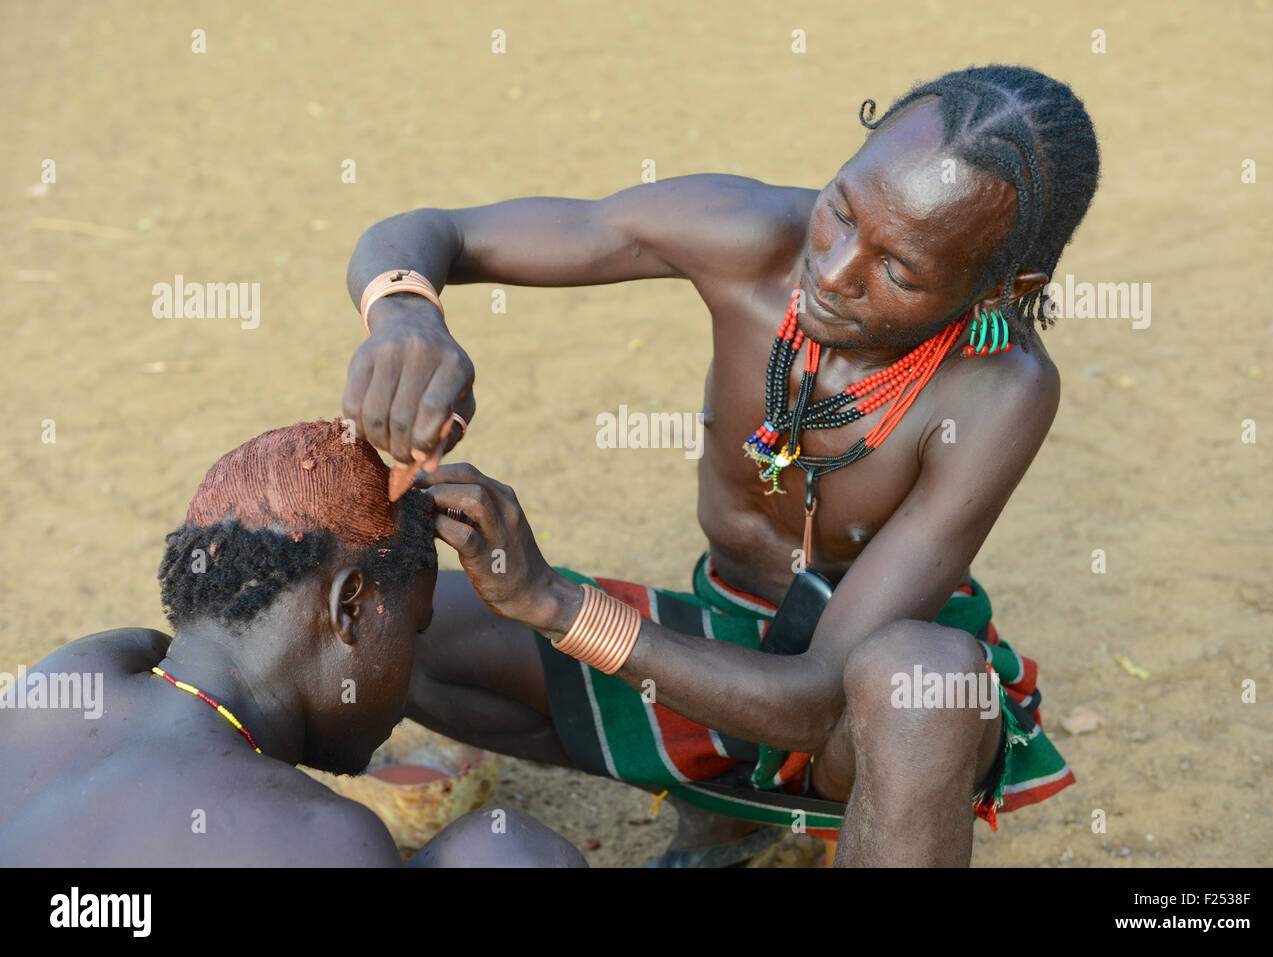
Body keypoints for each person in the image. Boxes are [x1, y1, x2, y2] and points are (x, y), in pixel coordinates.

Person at [342, 64, 1101, 866]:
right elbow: (434, 233)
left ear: (1000, 289)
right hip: (715, 637)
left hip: (854, 712)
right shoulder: (747, 233)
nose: (834, 271)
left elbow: (814, 695)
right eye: (839, 209)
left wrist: (553, 601)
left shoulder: (1001, 388)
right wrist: (404, 316)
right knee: (377, 618)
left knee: (923, 681)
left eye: (899, 270)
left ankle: (834, 819)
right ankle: (727, 815)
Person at [0, 420, 584, 868]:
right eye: (415, 628)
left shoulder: (82, 669)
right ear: (349, 608)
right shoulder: (319, 838)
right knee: (505, 854)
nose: (409, 677)